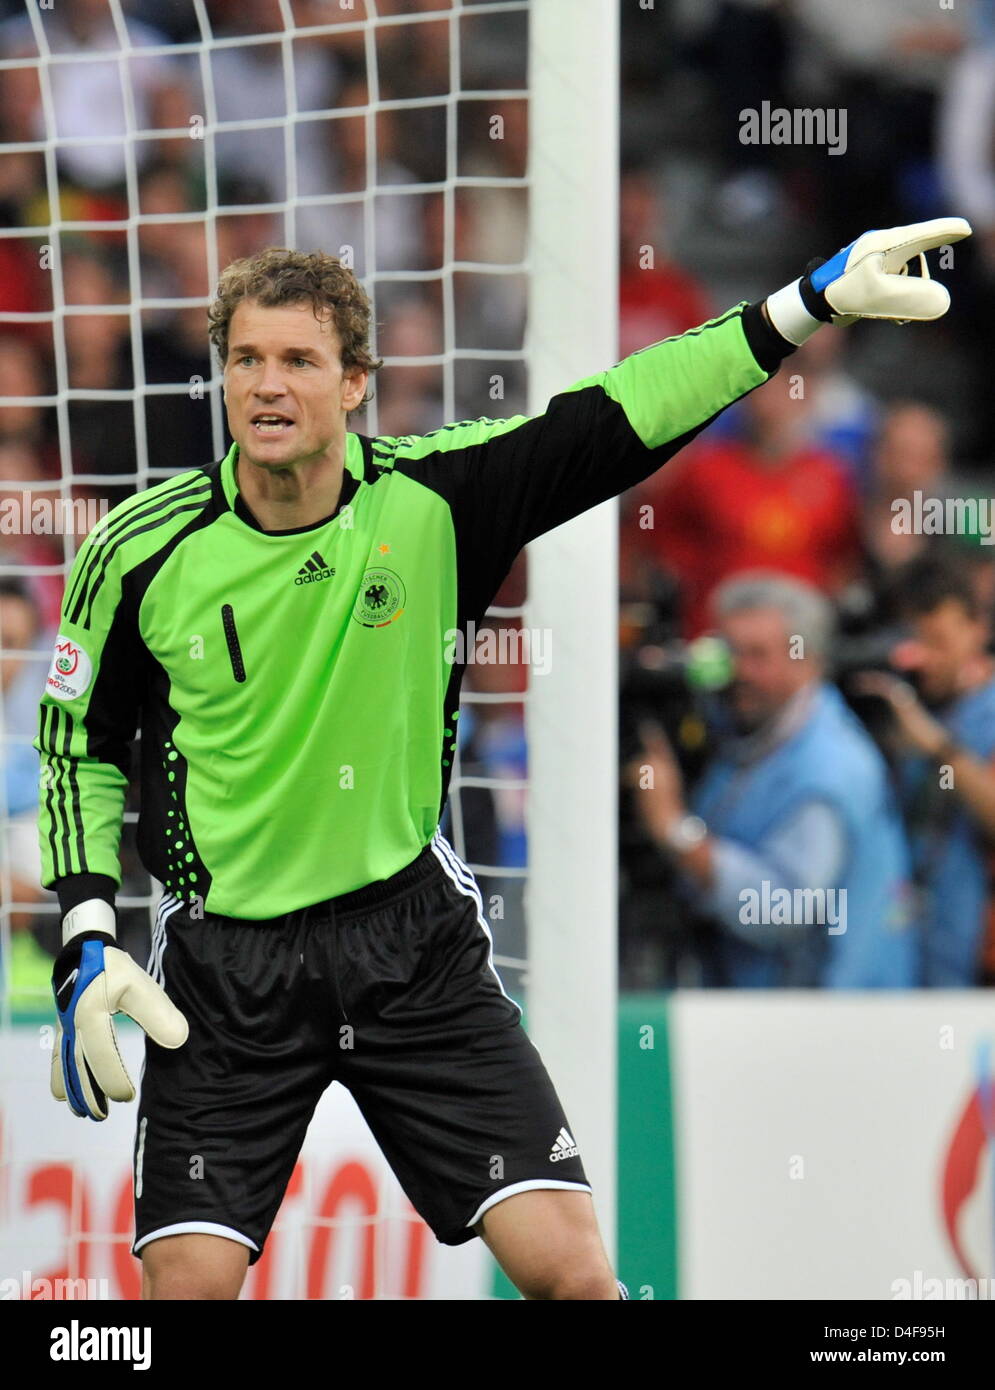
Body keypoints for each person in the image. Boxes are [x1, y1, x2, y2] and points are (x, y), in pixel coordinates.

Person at [37, 219, 969, 1300]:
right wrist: (89, 928)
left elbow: (626, 412)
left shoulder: (439, 499)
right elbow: (79, 747)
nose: (267, 384)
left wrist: (806, 302)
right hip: (224, 969)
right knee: (181, 1295)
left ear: (355, 383)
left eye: (299, 359)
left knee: (575, 1276)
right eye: (245, 358)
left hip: (409, 950)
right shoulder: (138, 549)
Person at [627, 573, 916, 988]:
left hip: (832, 1029)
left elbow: (783, 911)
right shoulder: (748, 734)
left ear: (809, 660)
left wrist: (675, 831)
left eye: (758, 655)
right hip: (764, 1018)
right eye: (730, 654)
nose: (738, 672)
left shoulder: (831, 764)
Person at [856, 554, 995, 985]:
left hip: (977, 962)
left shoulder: (983, 714)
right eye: (914, 642)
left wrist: (935, 745)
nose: (925, 659)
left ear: (978, 629)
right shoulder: (897, 706)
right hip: (909, 949)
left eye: (939, 640)